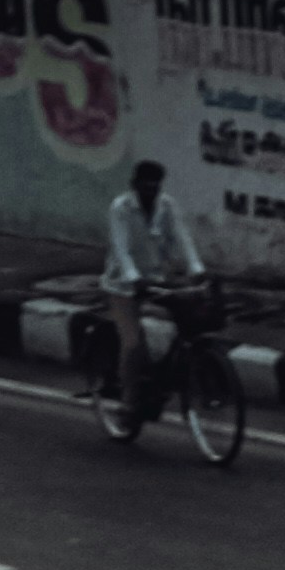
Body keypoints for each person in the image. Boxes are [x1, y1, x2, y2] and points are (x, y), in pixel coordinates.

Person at [94, 154, 210, 437]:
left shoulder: (167, 206)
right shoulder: (120, 208)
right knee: (133, 343)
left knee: (184, 326)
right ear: (134, 185)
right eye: (145, 187)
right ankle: (128, 403)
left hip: (157, 281)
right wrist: (134, 279)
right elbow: (120, 249)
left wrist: (196, 269)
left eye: (155, 187)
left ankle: (164, 380)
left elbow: (182, 238)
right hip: (123, 286)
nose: (151, 192)